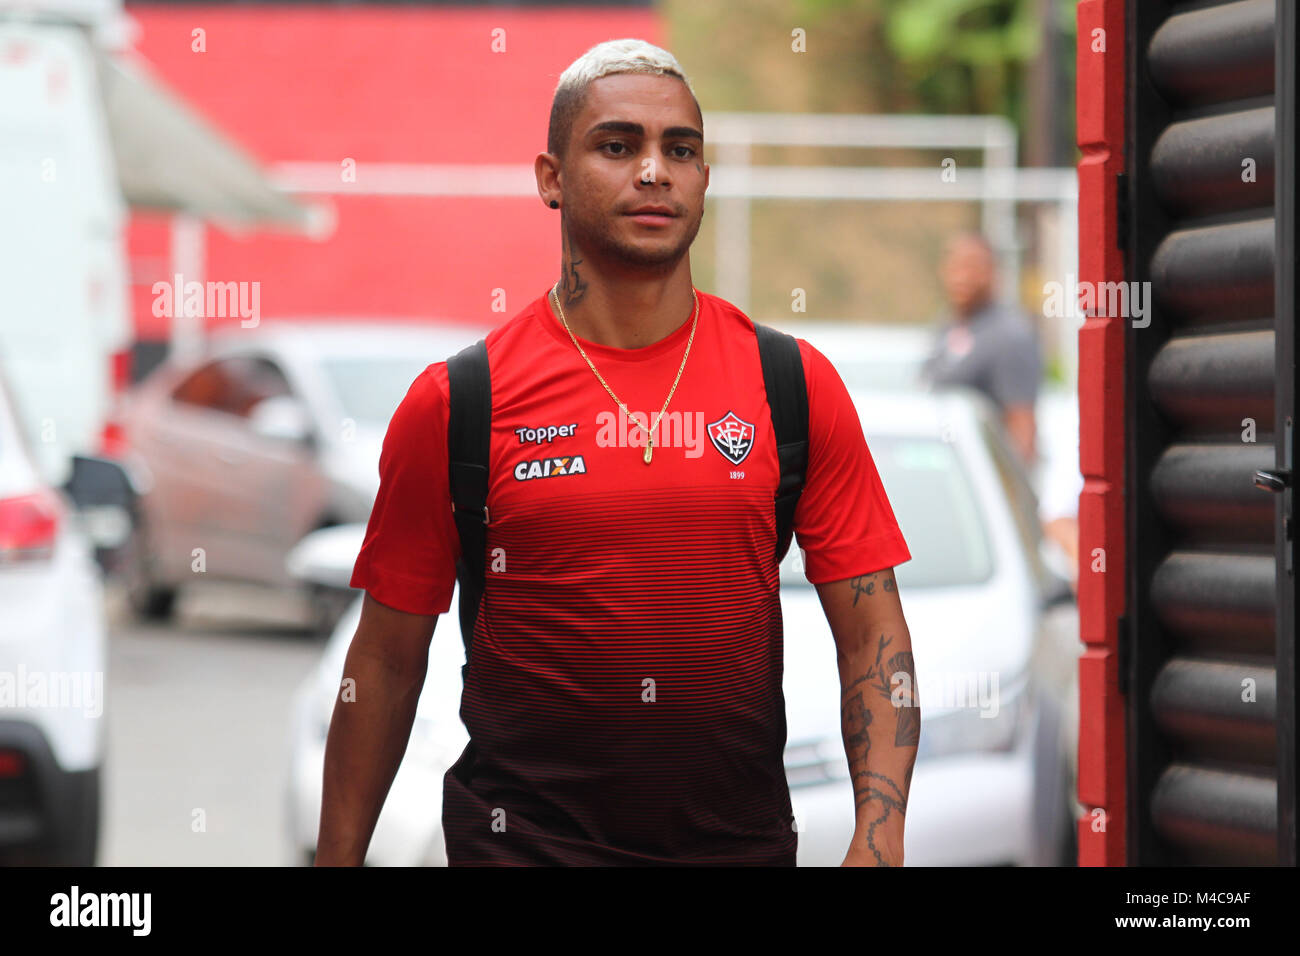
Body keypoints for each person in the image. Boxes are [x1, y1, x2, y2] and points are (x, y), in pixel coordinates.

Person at [315, 38, 916, 867]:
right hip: (521, 848)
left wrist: (878, 841)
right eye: (617, 145)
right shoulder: (460, 401)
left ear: (705, 176)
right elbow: (384, 661)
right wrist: (336, 858)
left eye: (681, 149)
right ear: (550, 178)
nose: (654, 171)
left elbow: (872, 627)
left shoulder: (791, 384)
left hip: (737, 851)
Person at [921, 232, 1043, 467]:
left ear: (993, 273)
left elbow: (1022, 426)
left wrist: (1010, 496)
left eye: (972, 266)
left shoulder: (1010, 336)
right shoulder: (947, 325)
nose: (961, 276)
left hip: (980, 480)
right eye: (955, 265)